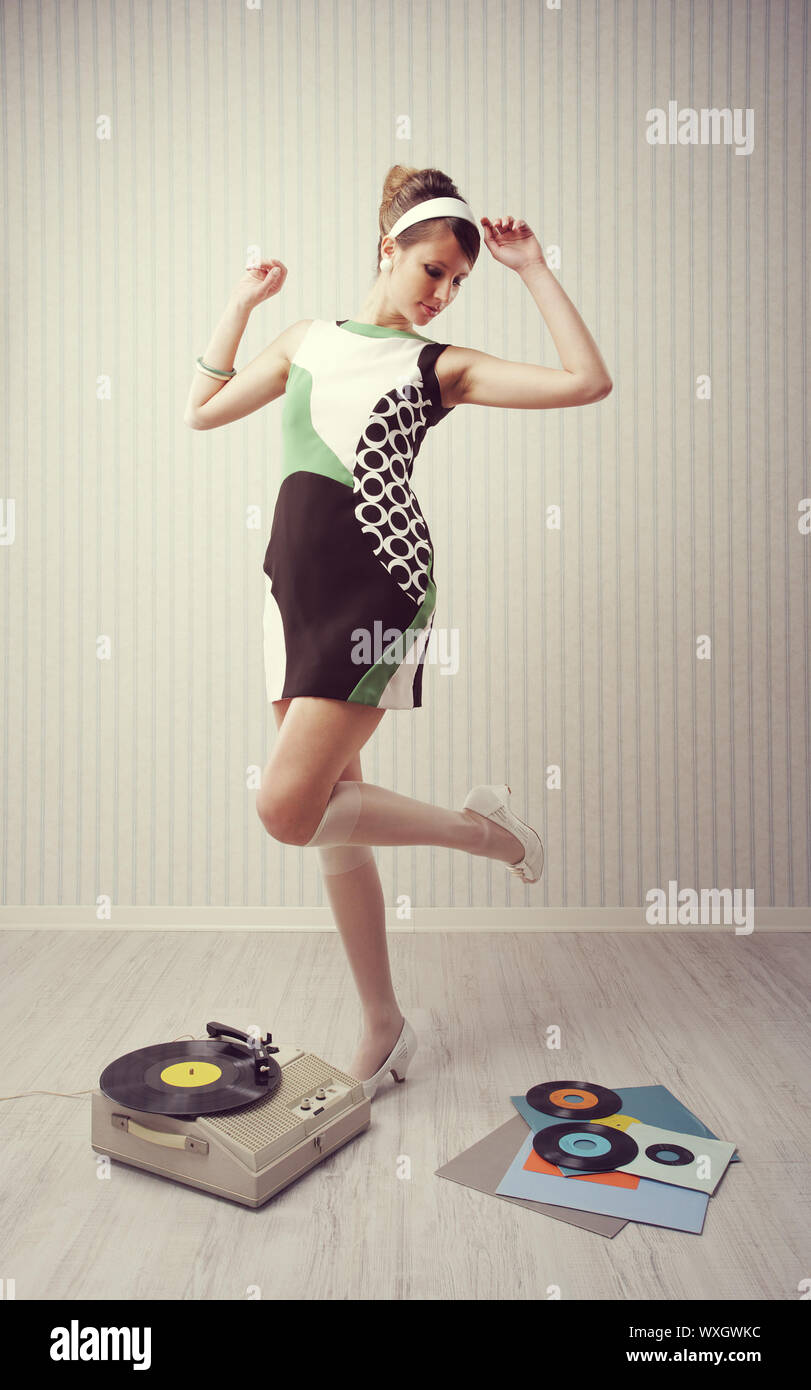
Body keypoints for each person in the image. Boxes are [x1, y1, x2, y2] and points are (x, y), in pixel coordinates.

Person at [184, 165, 612, 1099]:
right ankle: (382, 1019)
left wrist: (532, 268)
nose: (443, 292)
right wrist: (240, 302)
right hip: (288, 591)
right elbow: (202, 408)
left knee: (286, 811)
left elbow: (587, 382)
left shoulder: (440, 366)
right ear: (390, 248)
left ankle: (482, 834)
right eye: (433, 270)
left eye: (458, 281)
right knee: (338, 817)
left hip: (380, 586)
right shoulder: (306, 340)